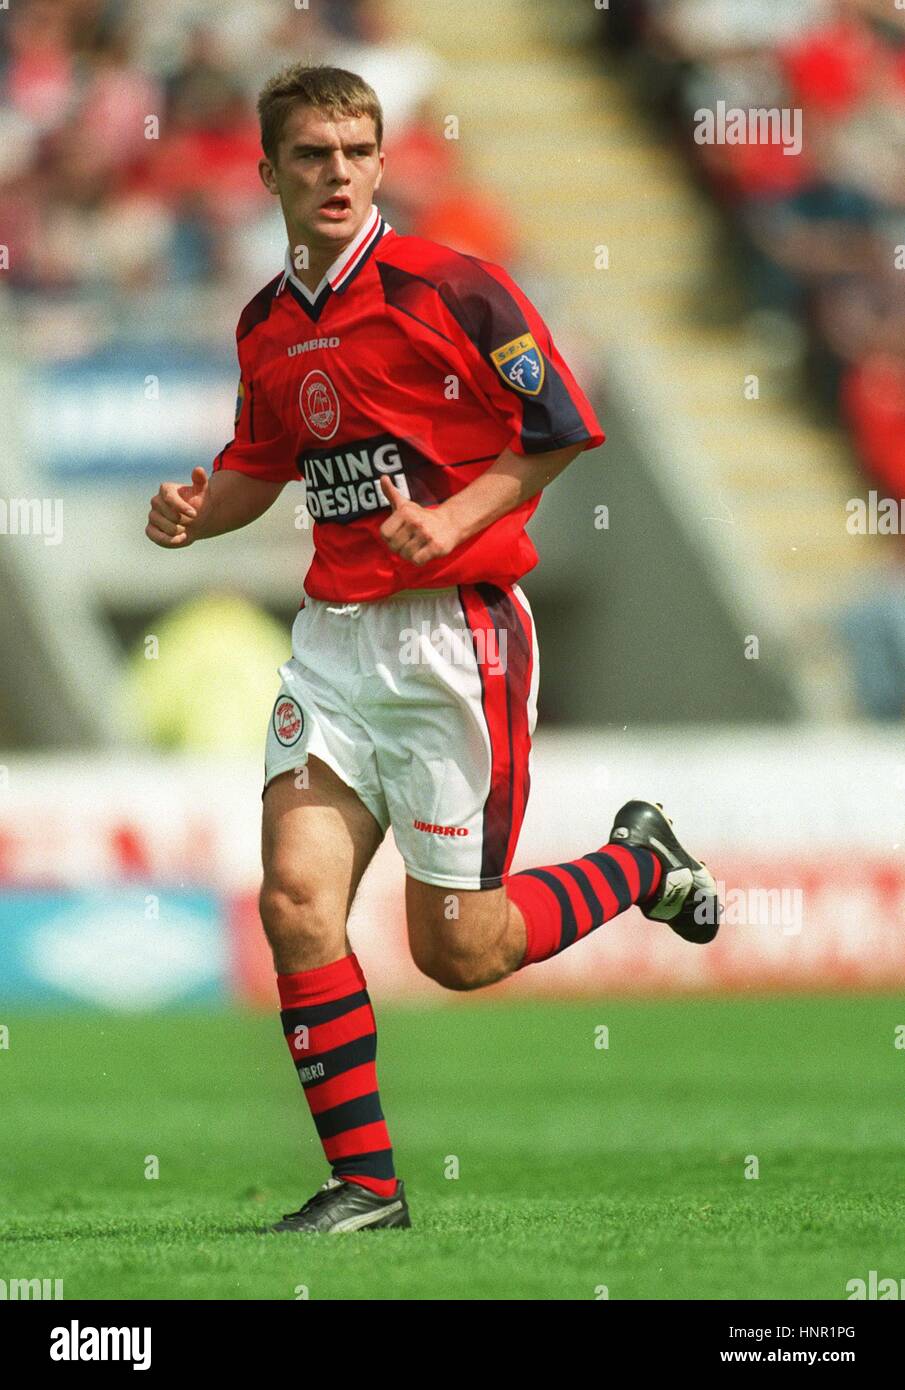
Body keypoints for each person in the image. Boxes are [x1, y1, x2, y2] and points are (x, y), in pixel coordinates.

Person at [146, 63, 721, 1235]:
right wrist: (198, 511)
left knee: (461, 950)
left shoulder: (453, 287)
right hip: (333, 645)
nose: (338, 173)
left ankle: (638, 862)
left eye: (357, 151)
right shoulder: (264, 323)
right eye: (312, 154)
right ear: (267, 172)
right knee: (295, 900)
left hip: (455, 638)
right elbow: (261, 462)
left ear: (380, 159)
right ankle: (366, 1187)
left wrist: (453, 520)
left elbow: (558, 426)